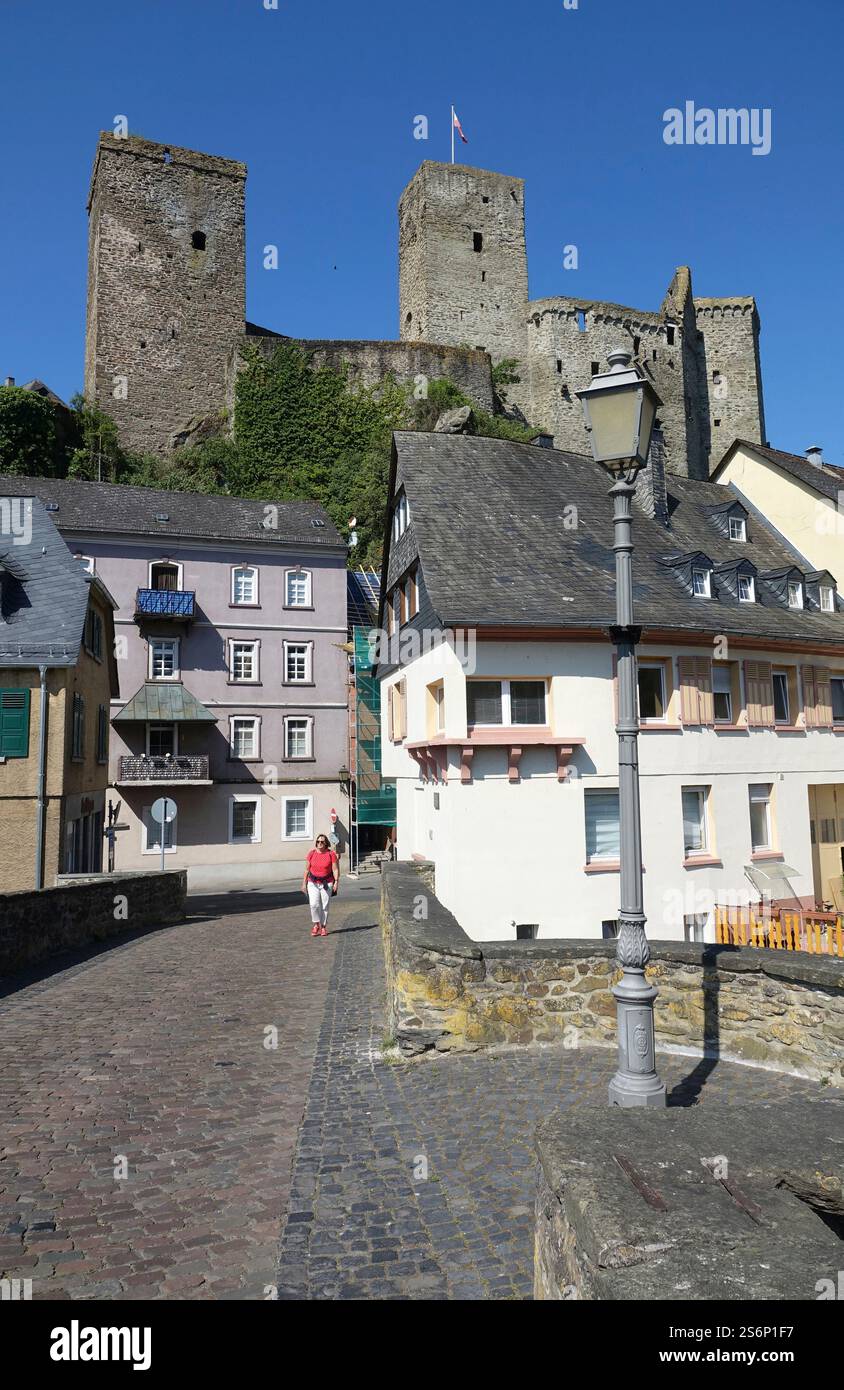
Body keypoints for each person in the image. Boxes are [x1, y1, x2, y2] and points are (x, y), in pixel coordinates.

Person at [302, 834, 339, 937]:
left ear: (326, 843)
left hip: (327, 883)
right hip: (312, 882)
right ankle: (316, 924)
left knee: (325, 906)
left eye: (322, 842)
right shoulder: (312, 854)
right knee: (314, 904)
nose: (319, 843)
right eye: (318, 841)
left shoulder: (331, 854)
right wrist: (304, 884)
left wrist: (336, 881)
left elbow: (335, 869)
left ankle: (323, 927)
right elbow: (306, 870)